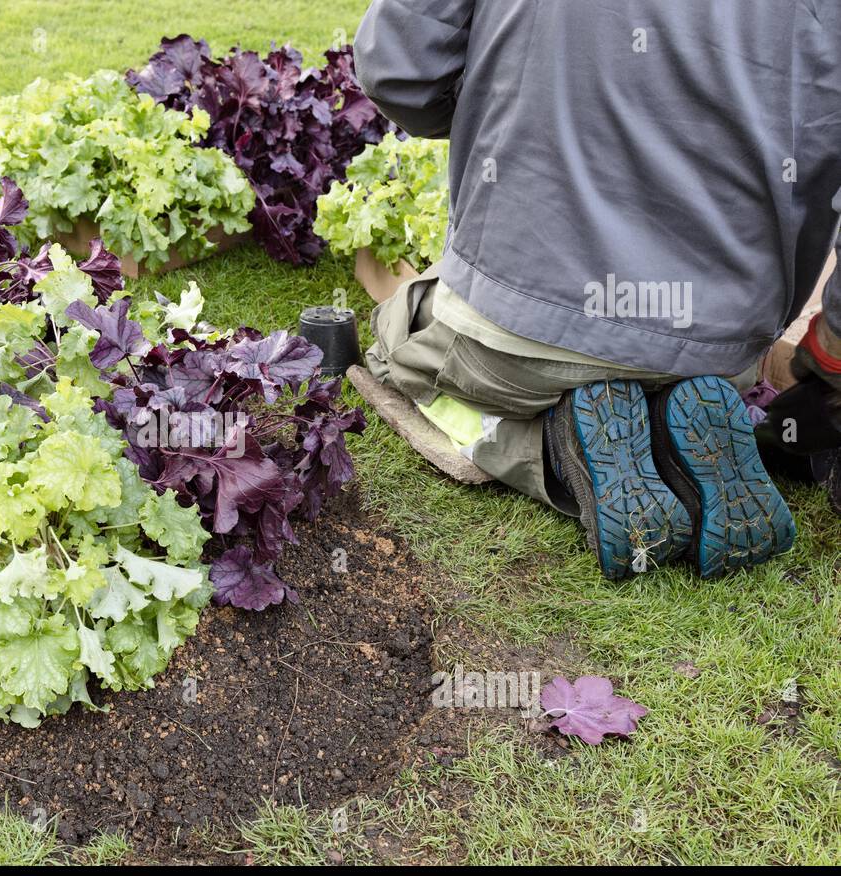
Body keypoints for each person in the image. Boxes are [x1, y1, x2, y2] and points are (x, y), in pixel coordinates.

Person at [352, 0, 841, 579]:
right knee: (683, 381)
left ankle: (558, 452)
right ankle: (673, 438)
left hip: (515, 336)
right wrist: (829, 349)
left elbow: (399, 73)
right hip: (720, 349)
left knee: (400, 334)